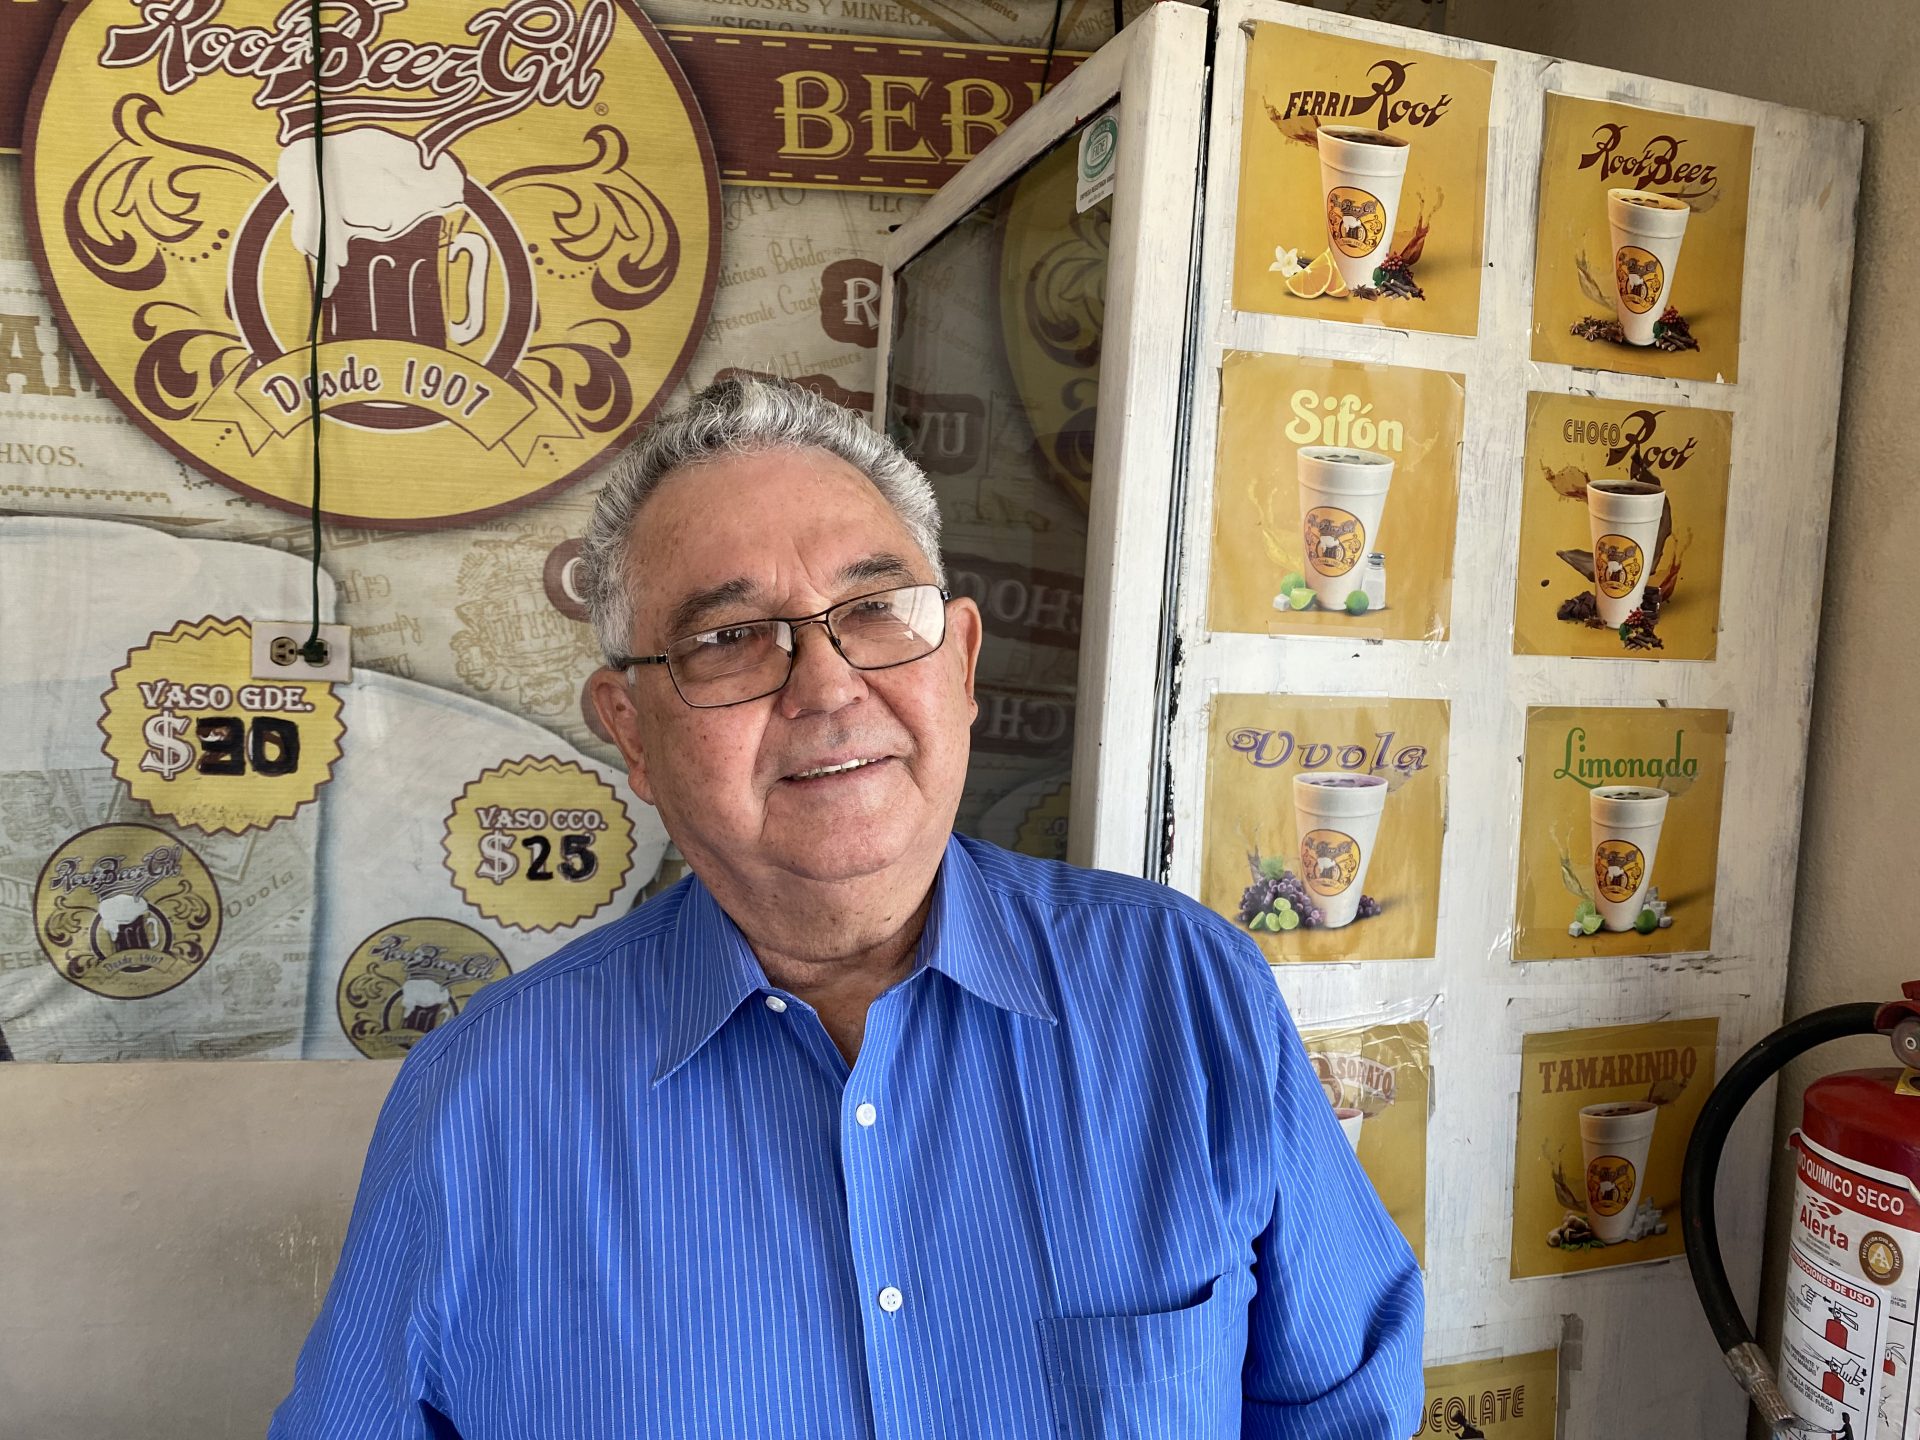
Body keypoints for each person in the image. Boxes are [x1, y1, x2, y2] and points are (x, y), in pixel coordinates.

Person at [270, 375, 1423, 1438]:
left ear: (960, 662)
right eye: (730, 639)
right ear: (630, 728)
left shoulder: (1184, 994)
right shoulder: (480, 1107)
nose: (828, 686)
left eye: (876, 611)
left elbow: (1344, 1412)